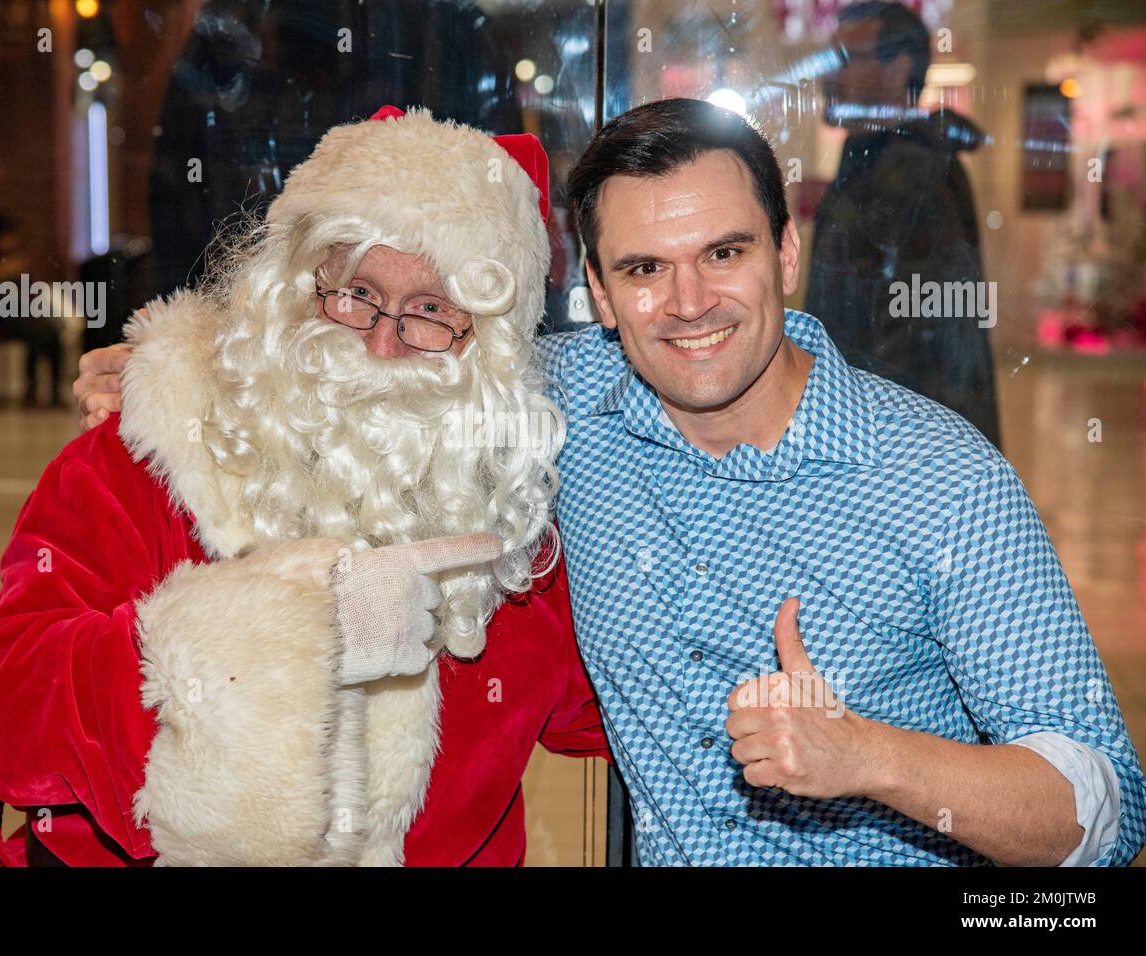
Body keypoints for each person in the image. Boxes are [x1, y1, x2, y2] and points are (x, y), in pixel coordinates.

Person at [78, 99, 1146, 867]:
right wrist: (184, 363)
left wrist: (871, 758)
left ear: (785, 251)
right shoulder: (563, 402)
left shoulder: (938, 478)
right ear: (595, 290)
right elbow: (388, 343)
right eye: (642, 269)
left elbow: (1099, 807)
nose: (688, 302)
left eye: (723, 252)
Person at [0, 106, 610, 867]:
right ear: (297, 287)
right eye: (356, 292)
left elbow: (651, 707)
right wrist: (270, 641)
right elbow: (6, 710)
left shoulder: (514, 534)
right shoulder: (152, 457)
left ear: (489, 350)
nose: (380, 343)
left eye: (430, 311)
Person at [806, 1, 1000, 447]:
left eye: (843, 61)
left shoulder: (916, 177)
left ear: (899, 69)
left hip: (905, 459)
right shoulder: (875, 167)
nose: (827, 77)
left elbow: (923, 341)